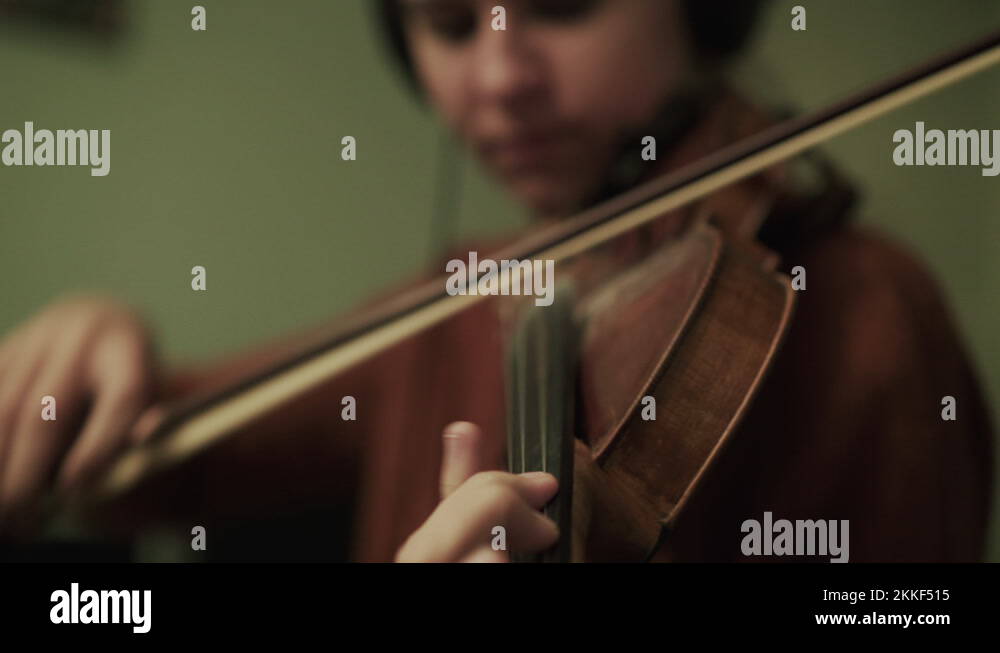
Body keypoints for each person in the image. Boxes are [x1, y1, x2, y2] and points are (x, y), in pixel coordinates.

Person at [0, 0, 992, 562]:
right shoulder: (468, 292)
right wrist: (93, 342)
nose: (498, 77)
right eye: (449, 23)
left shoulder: (865, 310)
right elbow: (173, 458)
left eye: (559, 4)